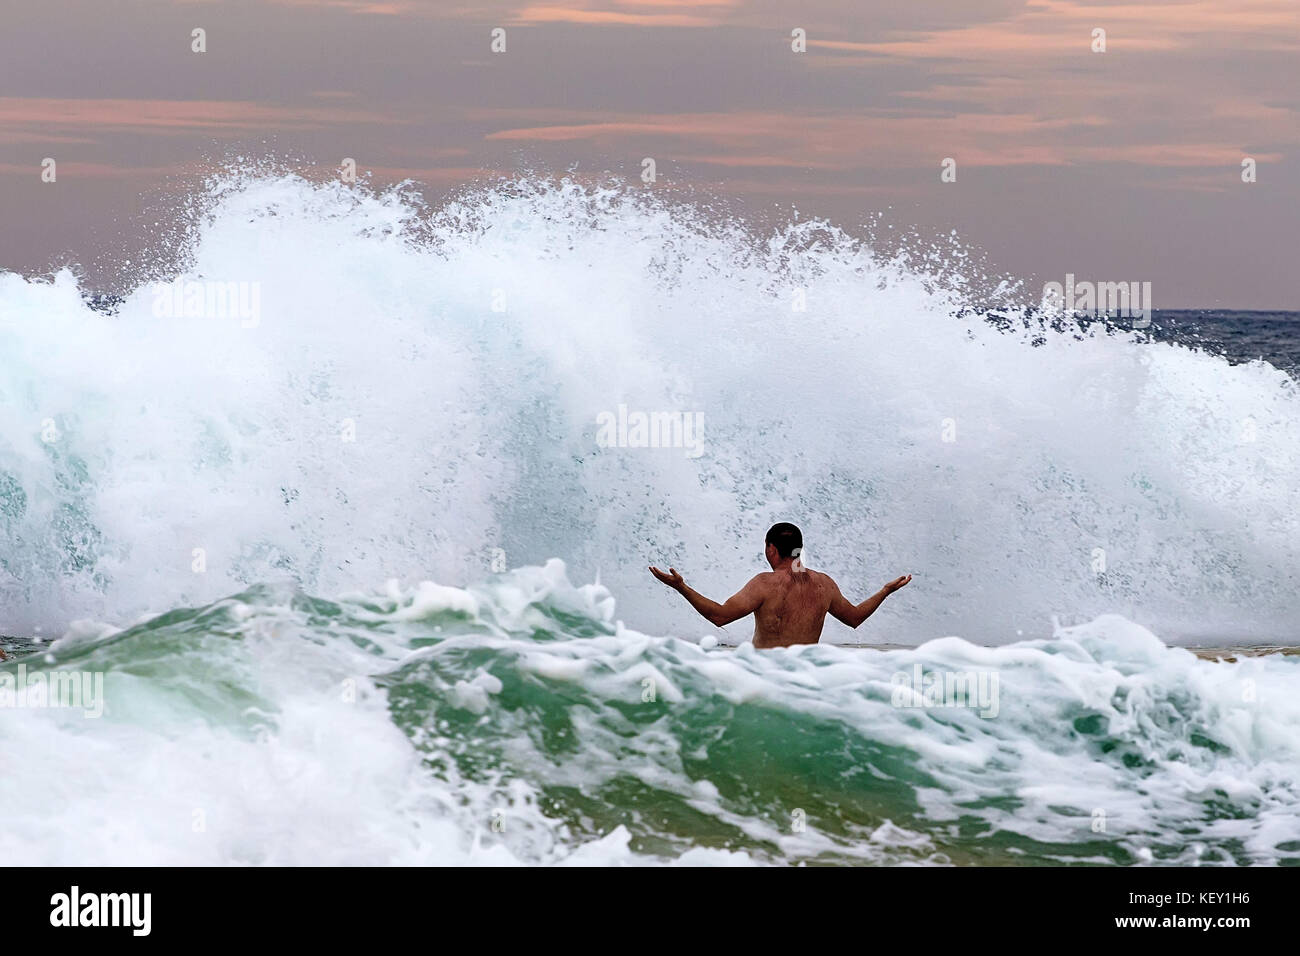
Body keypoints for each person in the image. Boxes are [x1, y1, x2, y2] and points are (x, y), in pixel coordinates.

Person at [649, 522, 910, 648]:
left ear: (771, 549)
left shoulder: (765, 583)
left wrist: (681, 587)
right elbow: (855, 618)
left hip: (767, 678)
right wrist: (885, 591)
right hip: (804, 678)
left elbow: (719, 616)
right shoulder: (824, 584)